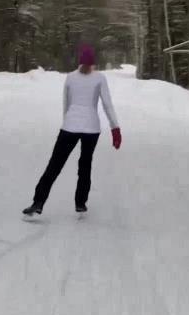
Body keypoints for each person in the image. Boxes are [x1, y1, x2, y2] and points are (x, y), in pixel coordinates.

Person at [23, 45, 121, 216]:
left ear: (79, 61)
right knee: (85, 165)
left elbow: (66, 103)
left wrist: (66, 122)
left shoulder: (70, 77)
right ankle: (80, 203)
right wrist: (115, 128)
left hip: (70, 127)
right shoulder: (99, 78)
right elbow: (107, 105)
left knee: (55, 165)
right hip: (91, 129)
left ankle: (38, 202)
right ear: (93, 63)